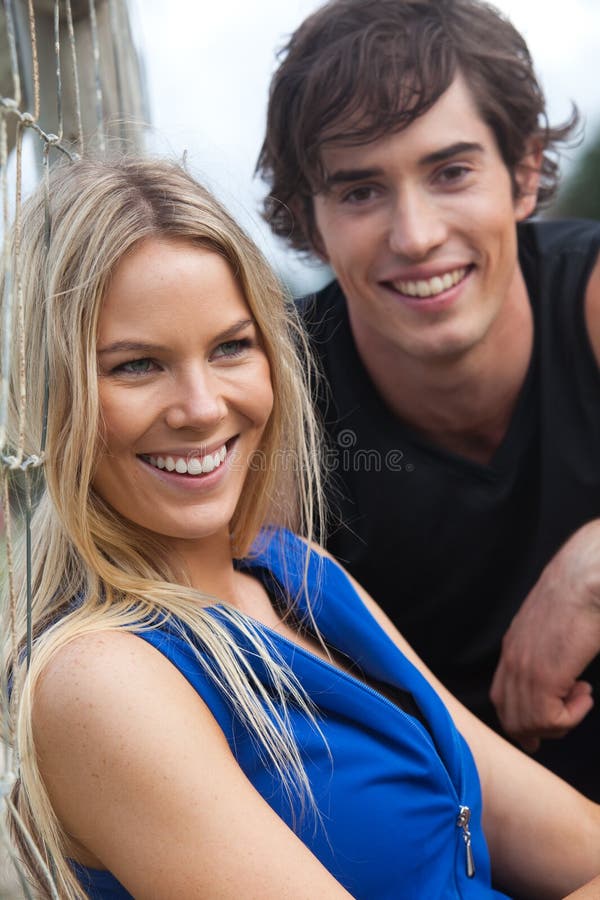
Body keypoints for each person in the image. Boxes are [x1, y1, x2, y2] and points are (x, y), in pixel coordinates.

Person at [3, 156, 600, 900]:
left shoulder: (293, 571)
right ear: (51, 391)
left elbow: (572, 837)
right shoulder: (99, 680)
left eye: (230, 347)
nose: (201, 406)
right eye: (137, 366)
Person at [256, 0, 600, 799]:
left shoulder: (586, 300)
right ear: (311, 224)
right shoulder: (279, 404)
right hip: (450, 829)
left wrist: (591, 568)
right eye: (360, 192)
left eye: (450, 172)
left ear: (521, 176)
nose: (415, 236)